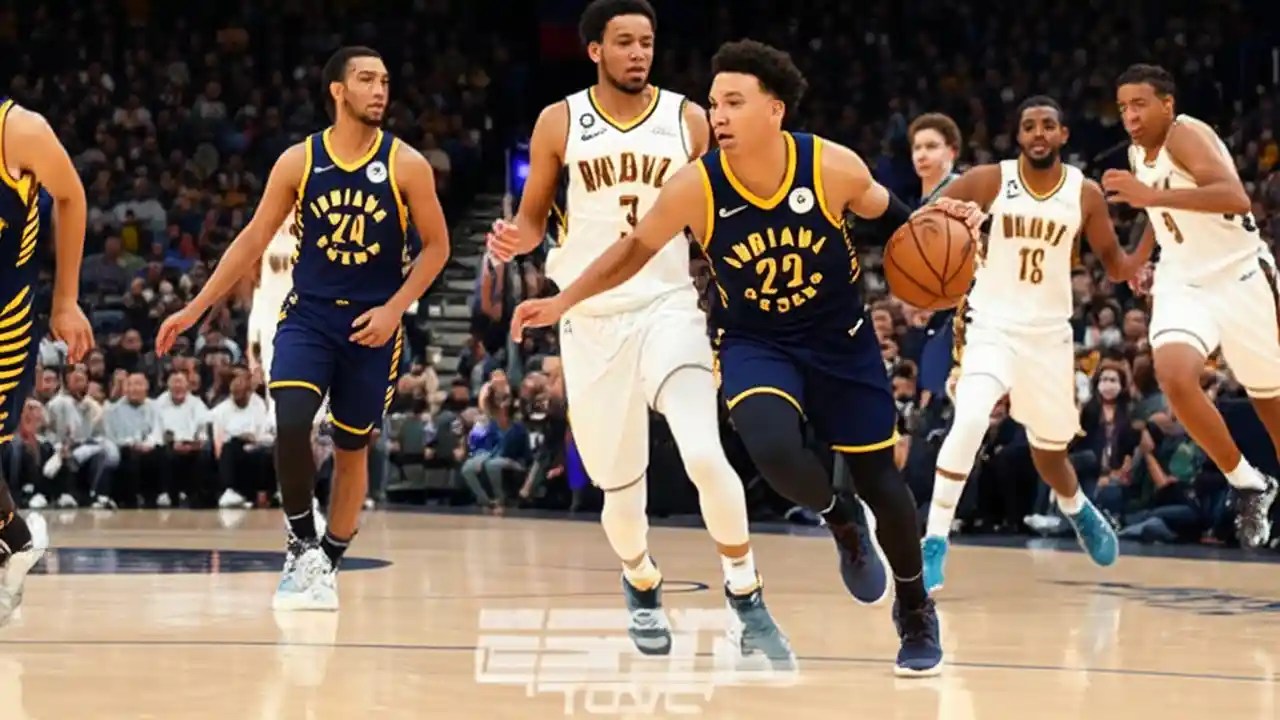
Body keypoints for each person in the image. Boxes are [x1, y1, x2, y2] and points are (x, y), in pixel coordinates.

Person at [509, 38, 961, 677]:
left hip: (840, 340)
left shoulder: (831, 166)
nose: (717, 115)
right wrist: (564, 300)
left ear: (774, 109)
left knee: (881, 482)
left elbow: (901, 222)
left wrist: (945, 232)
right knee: (771, 448)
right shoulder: (695, 187)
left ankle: (914, 608)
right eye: (714, 103)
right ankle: (839, 519)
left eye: (733, 103)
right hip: (756, 343)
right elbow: (632, 251)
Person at [486, 0, 794, 663]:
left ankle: (747, 594)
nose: (638, 53)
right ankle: (641, 578)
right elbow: (537, 219)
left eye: (647, 42)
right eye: (624, 42)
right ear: (594, 50)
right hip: (590, 318)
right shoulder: (559, 120)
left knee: (704, 452)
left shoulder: (688, 119)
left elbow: (724, 206)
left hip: (668, 305)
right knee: (620, 492)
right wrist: (516, 239)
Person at [157, 46, 450, 610]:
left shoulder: (406, 163)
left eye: (385, 81)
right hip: (309, 316)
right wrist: (196, 308)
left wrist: (395, 308)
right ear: (338, 90)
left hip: (372, 324)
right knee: (290, 422)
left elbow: (437, 248)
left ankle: (328, 563)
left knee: (350, 448)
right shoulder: (299, 160)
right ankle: (301, 545)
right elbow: (252, 238)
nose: (379, 90)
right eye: (366, 80)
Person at [919, 96, 1152, 591]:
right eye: (1030, 126)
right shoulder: (989, 180)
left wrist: (1151, 233)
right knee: (971, 418)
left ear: (1063, 135)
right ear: (1019, 136)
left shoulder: (1084, 193)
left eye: (1048, 125)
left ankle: (1076, 507)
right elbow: (923, 224)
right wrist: (954, 218)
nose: (1039, 133)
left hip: (1048, 336)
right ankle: (935, 539)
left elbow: (1116, 265)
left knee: (1049, 452)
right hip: (992, 326)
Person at [1104, 63, 1278, 548]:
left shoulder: (1186, 133)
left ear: (1167, 104)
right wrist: (1135, 258)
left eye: (1140, 104)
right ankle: (1248, 482)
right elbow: (1156, 213)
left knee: (1270, 403)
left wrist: (1145, 194)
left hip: (1239, 274)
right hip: (1182, 277)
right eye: (1123, 107)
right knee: (1175, 377)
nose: (1130, 116)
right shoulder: (1138, 152)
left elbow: (1234, 197)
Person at [0, 98, 96, 625]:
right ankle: (13, 543)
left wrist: (65, 300)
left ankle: (14, 542)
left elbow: (71, 195)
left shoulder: (19, 129)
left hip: (6, 316)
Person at [906, 113, 964, 407]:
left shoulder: (961, 194)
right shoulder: (926, 203)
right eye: (917, 147)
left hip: (963, 315)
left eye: (931, 146)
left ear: (952, 151)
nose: (922, 154)